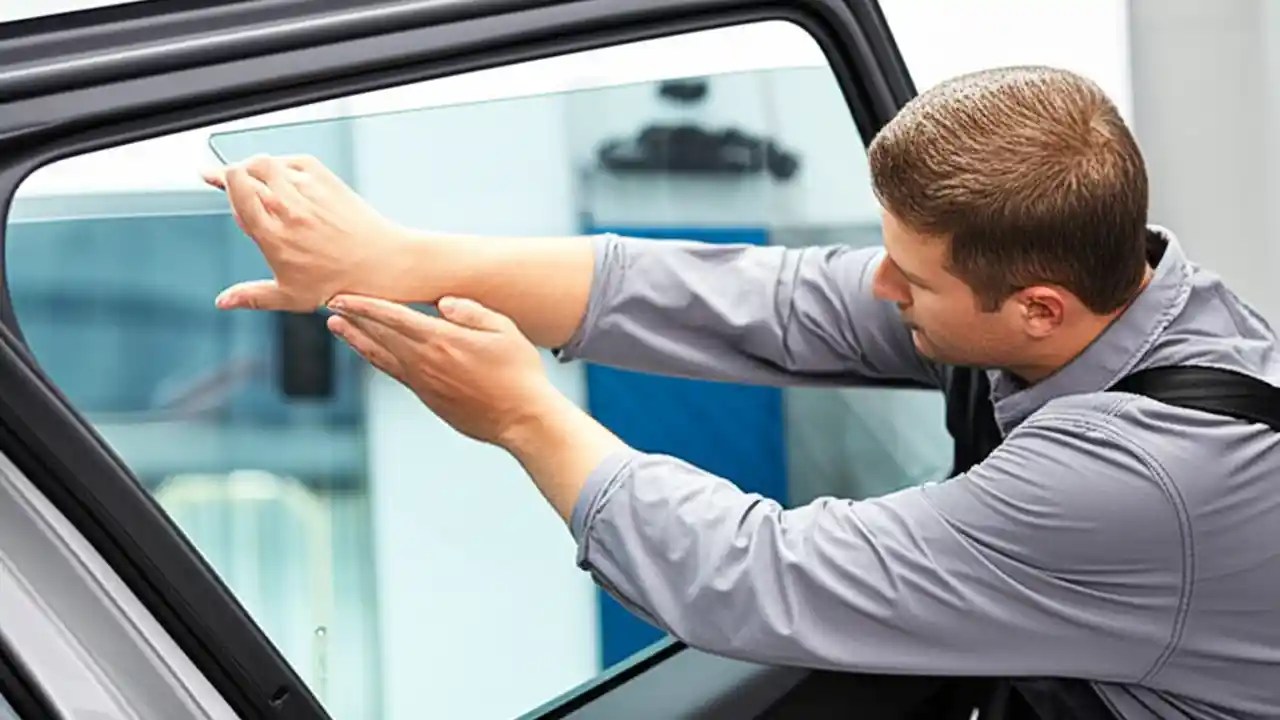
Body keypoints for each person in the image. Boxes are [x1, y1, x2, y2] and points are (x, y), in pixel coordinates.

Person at [202, 66, 1280, 720]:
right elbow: (755, 301)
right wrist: (397, 258)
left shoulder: (1137, 484)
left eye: (913, 274)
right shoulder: (1126, 296)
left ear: (1035, 308)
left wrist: (522, 418)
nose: (874, 281)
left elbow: (761, 576)